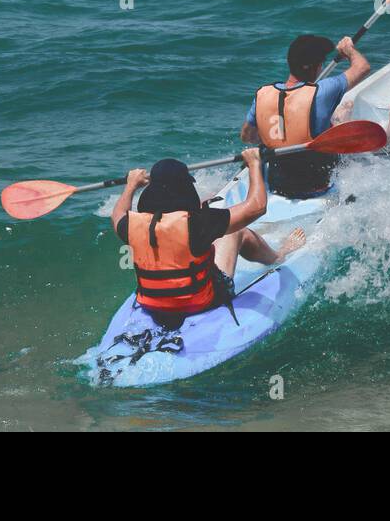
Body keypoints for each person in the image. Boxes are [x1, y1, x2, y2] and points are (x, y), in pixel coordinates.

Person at [109, 148, 304, 329]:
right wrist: (254, 163)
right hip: (201, 303)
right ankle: (278, 256)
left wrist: (131, 185)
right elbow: (257, 206)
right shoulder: (199, 224)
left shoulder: (131, 226)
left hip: (154, 306)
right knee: (236, 232)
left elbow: (117, 214)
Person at [240, 33, 370, 198]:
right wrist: (349, 50)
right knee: (340, 119)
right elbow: (363, 67)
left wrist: (279, 137)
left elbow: (247, 136)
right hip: (318, 184)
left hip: (279, 184)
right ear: (317, 67)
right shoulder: (323, 91)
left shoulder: (263, 94)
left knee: (295, 128)